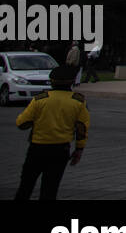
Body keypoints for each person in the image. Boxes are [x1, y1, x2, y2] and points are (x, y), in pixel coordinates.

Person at [14, 65, 89, 200]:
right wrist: (79, 149)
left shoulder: (40, 99)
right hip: (60, 150)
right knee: (50, 188)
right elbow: (82, 128)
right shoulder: (79, 101)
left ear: (51, 81)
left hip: (37, 148)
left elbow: (21, 123)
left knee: (25, 186)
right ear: (72, 82)